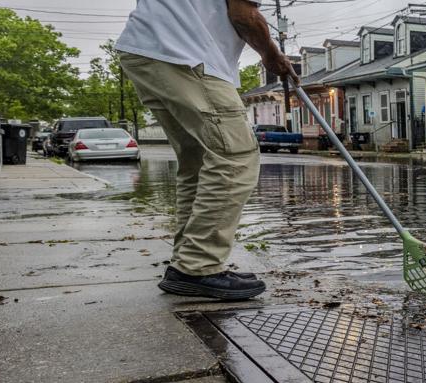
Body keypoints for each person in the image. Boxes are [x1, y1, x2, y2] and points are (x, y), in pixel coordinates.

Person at [116, 1, 295, 300]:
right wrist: (271, 55)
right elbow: (244, 15)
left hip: (147, 50)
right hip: (183, 53)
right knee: (234, 156)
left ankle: (186, 262)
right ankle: (197, 266)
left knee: (198, 161)